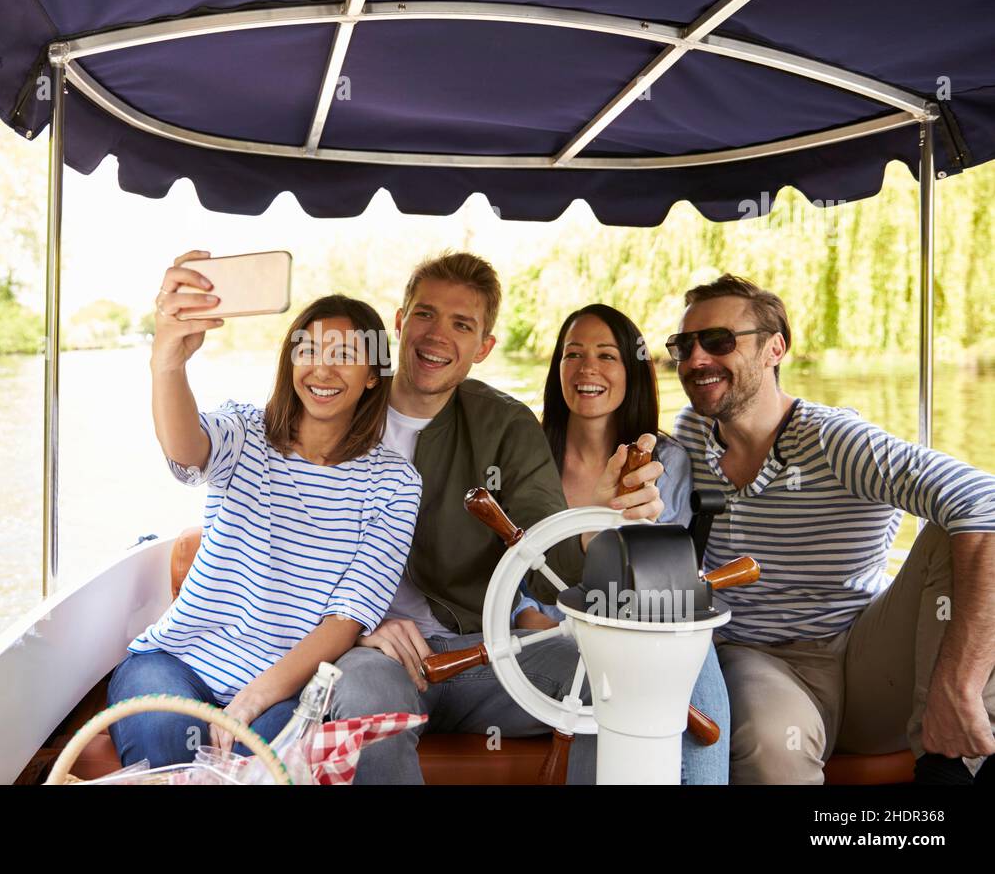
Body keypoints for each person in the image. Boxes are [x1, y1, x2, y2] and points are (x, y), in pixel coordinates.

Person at [329, 252, 667, 784]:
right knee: (365, 696)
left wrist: (595, 519)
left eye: (461, 324)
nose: (437, 335)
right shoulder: (334, 407)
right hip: (370, 655)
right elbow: (287, 553)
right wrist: (355, 631)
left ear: (483, 347)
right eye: (425, 314)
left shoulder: (506, 424)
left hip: (485, 651)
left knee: (616, 684)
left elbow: (549, 566)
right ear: (399, 322)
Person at [669, 273, 995, 784]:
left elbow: (986, 501)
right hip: (759, 659)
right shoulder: (688, 433)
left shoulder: (833, 440)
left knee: (958, 532)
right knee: (768, 745)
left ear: (775, 348)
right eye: (683, 345)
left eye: (718, 341)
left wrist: (959, 682)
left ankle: (948, 770)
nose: (695, 360)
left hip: (866, 657)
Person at [106, 252, 422, 769]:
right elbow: (187, 448)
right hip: (177, 662)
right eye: (310, 350)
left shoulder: (394, 484)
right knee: (164, 739)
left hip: (283, 685)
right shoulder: (246, 431)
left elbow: (345, 621)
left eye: (345, 354)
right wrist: (168, 361)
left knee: (264, 765)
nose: (322, 368)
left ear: (372, 375)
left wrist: (252, 699)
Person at [511, 303, 731, 784]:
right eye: (573, 354)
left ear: (633, 371)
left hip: (636, 632)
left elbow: (660, 577)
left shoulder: (665, 460)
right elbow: (504, 563)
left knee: (690, 643)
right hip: (545, 643)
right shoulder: (526, 453)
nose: (587, 368)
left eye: (606, 356)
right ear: (558, 368)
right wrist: (521, 610)